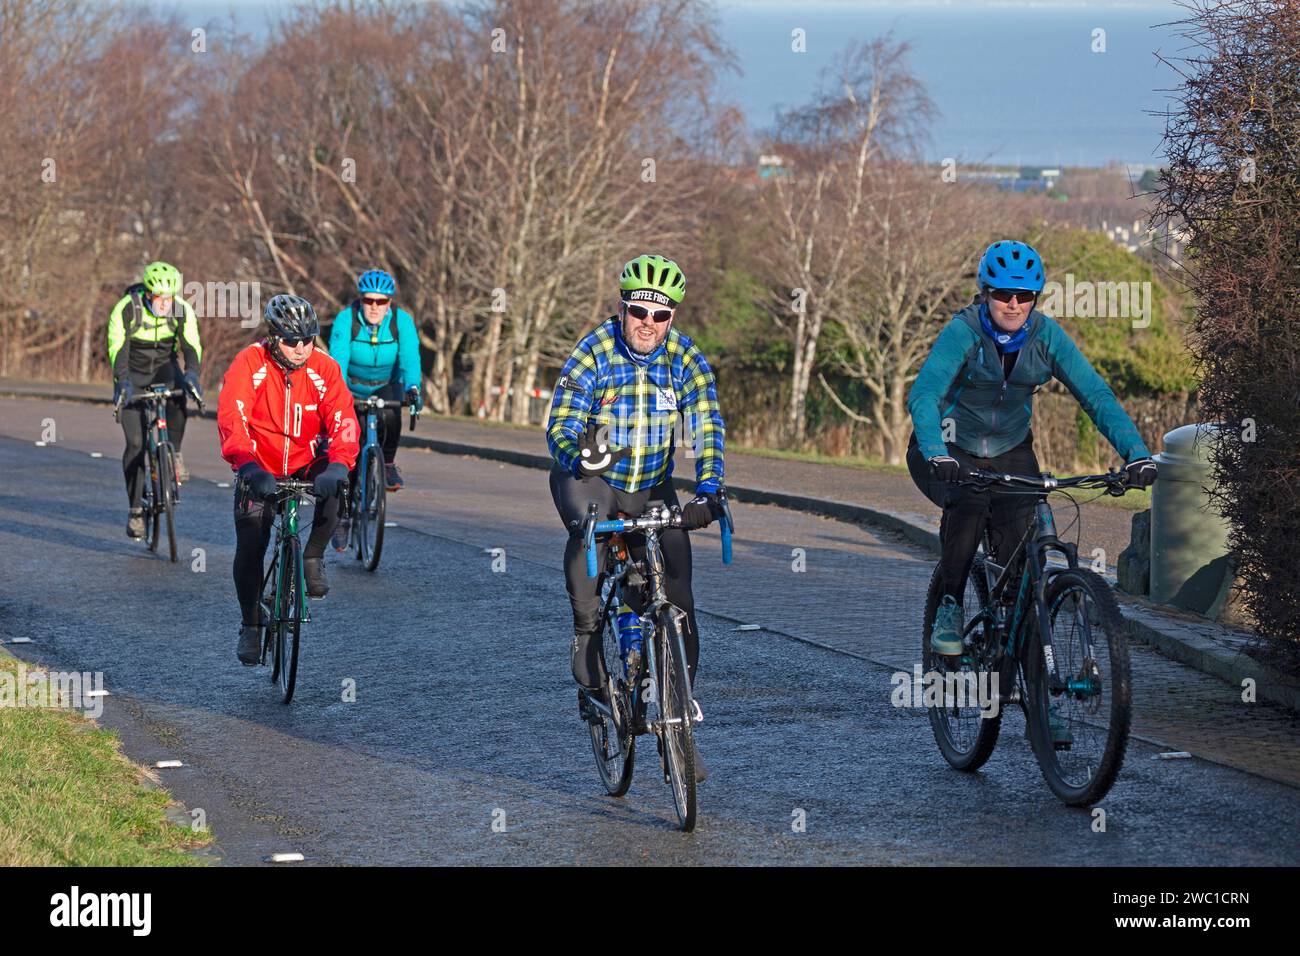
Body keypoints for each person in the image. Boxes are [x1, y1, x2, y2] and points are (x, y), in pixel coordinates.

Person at [906, 239, 1158, 670]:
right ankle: (950, 605)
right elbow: (925, 393)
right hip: (946, 448)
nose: (1014, 304)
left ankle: (1035, 693)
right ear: (986, 292)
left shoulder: (1046, 337)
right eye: (1003, 293)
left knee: (1024, 565)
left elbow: (1095, 395)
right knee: (968, 504)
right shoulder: (964, 331)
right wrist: (935, 452)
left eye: (1025, 295)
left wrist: (1136, 453)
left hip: (1010, 451)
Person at [546, 254, 726, 775]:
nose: (648, 324)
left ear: (673, 318)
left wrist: (710, 488)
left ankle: (679, 717)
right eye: (638, 312)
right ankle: (585, 631)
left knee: (680, 594)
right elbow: (563, 416)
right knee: (592, 530)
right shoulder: (596, 349)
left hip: (651, 481)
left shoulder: (684, 357)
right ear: (622, 309)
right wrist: (576, 453)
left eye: (660, 315)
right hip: (593, 474)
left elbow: (707, 423)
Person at [217, 294, 359, 665]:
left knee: (336, 484)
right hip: (258, 463)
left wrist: (339, 465)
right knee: (250, 543)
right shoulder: (251, 362)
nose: (300, 349)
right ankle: (250, 623)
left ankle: (312, 556)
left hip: (306, 458)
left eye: (307, 340)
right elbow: (233, 416)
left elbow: (343, 418)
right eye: (291, 341)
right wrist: (247, 466)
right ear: (273, 336)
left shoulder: (324, 368)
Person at [107, 261, 203, 538]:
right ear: (148, 294)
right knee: (136, 443)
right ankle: (136, 510)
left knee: (179, 393)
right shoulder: (127, 309)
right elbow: (117, 348)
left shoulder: (182, 310)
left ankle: (175, 453)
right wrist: (122, 382)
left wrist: (193, 376)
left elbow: (192, 345)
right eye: (160, 299)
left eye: (170, 298)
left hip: (164, 367)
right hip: (132, 372)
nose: (165, 304)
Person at [327, 268, 422, 507]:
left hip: (385, 386)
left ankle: (388, 463)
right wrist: (336, 393)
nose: (374, 307)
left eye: (381, 302)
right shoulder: (346, 319)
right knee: (350, 447)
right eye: (368, 300)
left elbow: (410, 358)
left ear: (389, 302)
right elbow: (338, 359)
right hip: (351, 387)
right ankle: (342, 513)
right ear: (361, 299)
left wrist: (413, 388)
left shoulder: (402, 321)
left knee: (391, 413)